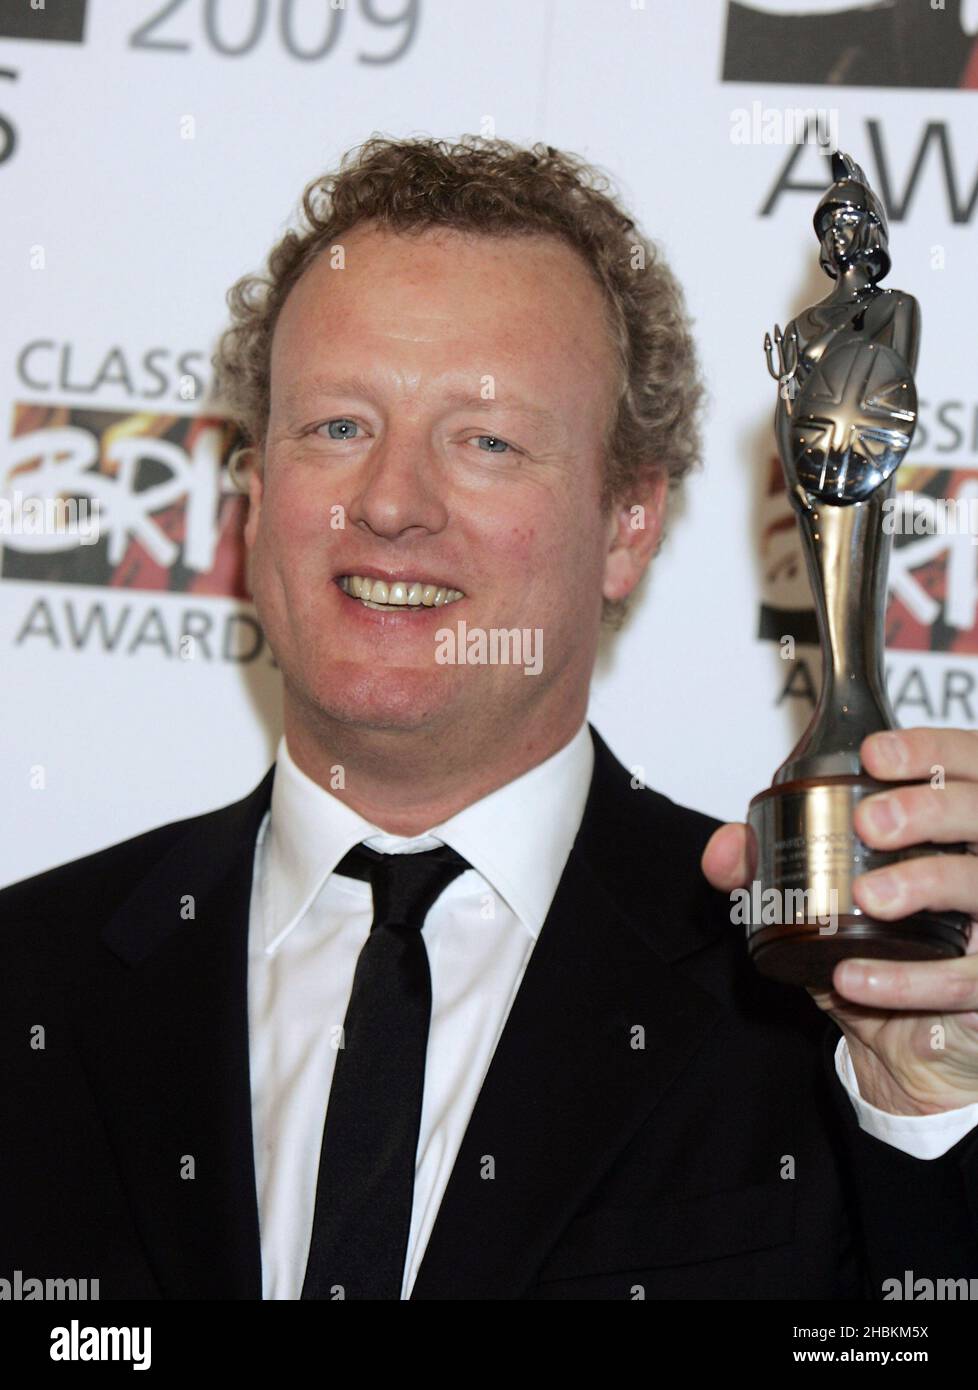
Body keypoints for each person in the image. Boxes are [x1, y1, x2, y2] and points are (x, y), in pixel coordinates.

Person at [2, 135, 977, 1302]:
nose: (393, 504)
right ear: (253, 494)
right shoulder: (29, 985)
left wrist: (935, 1115)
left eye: (488, 441)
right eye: (338, 427)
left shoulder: (806, 1008)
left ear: (627, 523)